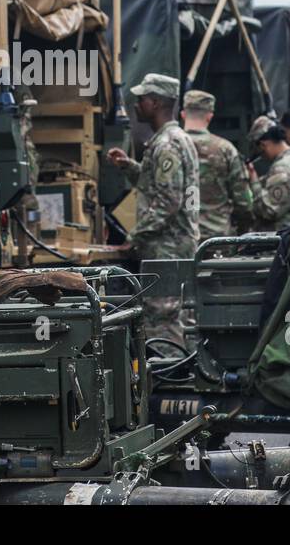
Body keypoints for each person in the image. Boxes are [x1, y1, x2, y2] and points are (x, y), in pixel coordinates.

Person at [105, 73, 199, 347]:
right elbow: (158, 185)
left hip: (166, 249)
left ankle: (168, 379)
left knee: (162, 319)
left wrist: (133, 238)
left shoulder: (167, 144)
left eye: (142, 99)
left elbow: (168, 202)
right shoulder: (175, 139)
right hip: (174, 247)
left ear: (156, 103)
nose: (136, 105)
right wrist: (129, 166)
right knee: (178, 316)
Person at [181, 89, 252, 239]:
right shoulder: (226, 149)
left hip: (180, 238)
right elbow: (243, 202)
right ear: (209, 116)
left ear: (183, 114)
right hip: (217, 238)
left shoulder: (171, 146)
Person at [249, 124, 290, 229]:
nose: (264, 156)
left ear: (264, 144)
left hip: (281, 235)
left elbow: (269, 211)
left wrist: (253, 179)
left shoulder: (281, 167)